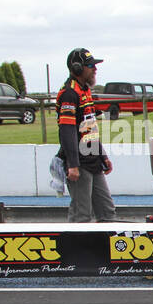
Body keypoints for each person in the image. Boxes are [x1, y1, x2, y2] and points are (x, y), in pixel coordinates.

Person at [57, 48, 117, 223]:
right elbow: (66, 131)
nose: (95, 69)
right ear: (77, 68)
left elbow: (90, 128)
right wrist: (73, 164)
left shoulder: (85, 91)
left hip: (93, 160)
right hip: (79, 162)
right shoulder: (70, 93)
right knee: (81, 214)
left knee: (107, 213)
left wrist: (102, 156)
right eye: (91, 65)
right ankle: (75, 249)